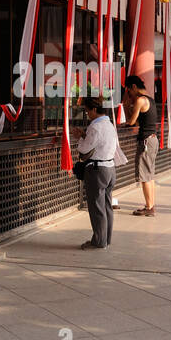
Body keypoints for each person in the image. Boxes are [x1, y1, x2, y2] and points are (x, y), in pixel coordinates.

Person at [76, 95, 122, 249]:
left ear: (94, 109)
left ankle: (98, 241)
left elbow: (84, 149)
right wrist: (85, 135)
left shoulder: (95, 127)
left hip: (97, 170)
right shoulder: (109, 124)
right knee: (107, 206)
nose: (87, 114)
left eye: (88, 111)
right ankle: (106, 239)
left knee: (97, 207)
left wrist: (80, 138)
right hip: (110, 168)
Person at [122, 74, 158, 216]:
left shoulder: (140, 100)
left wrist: (125, 107)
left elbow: (131, 122)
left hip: (146, 142)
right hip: (153, 139)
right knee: (149, 175)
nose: (129, 94)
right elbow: (139, 121)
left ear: (134, 87)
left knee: (144, 176)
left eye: (129, 91)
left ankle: (149, 208)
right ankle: (151, 205)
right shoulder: (149, 99)